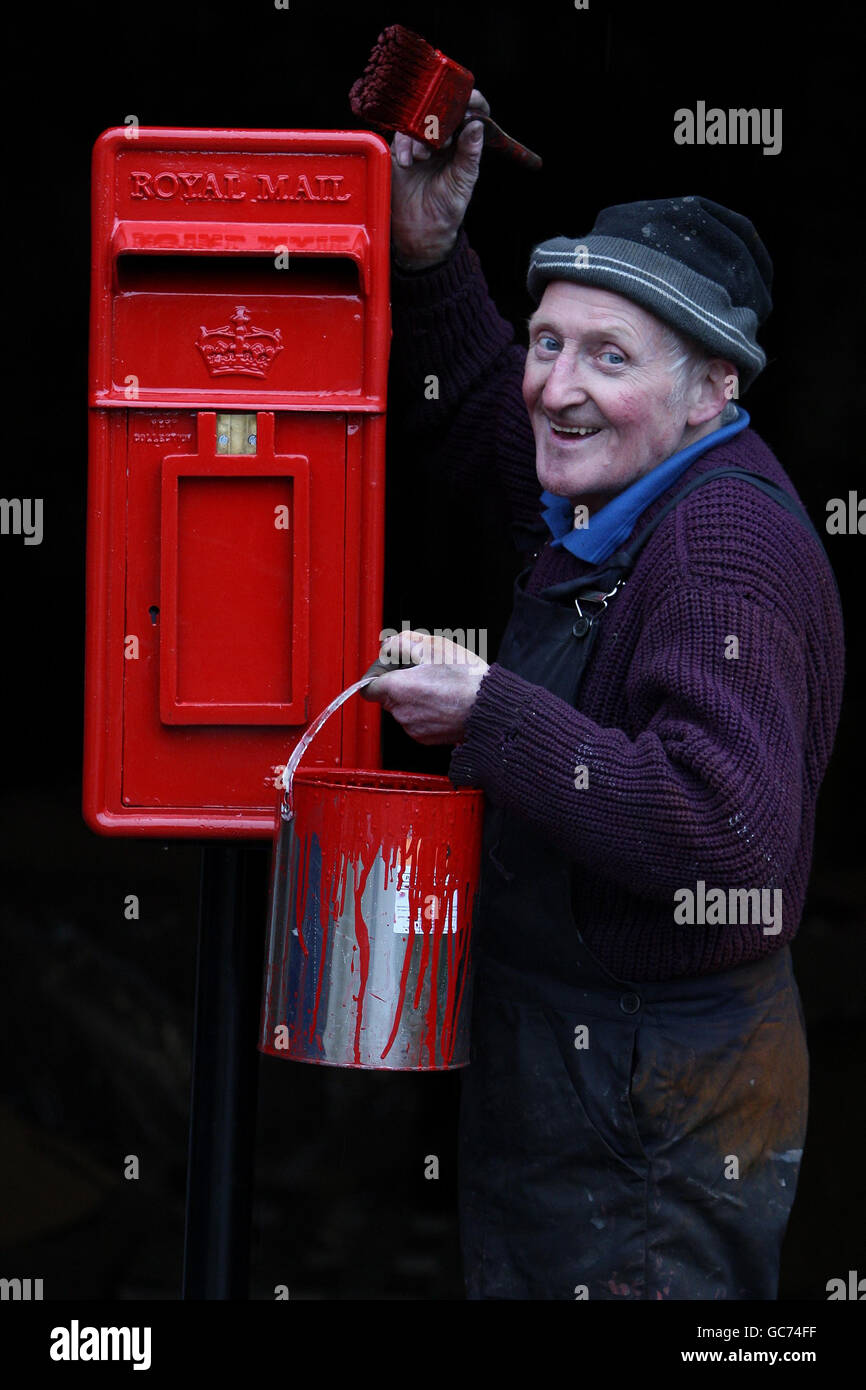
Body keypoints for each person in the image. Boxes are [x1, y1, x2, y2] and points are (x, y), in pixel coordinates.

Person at [362, 96, 845, 1300]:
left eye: (608, 357)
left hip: (654, 1099)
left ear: (712, 388)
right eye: (548, 340)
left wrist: (490, 712)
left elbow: (725, 831)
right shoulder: (617, 495)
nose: (554, 386)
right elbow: (489, 417)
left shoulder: (717, 544)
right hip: (586, 1067)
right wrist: (425, 253)